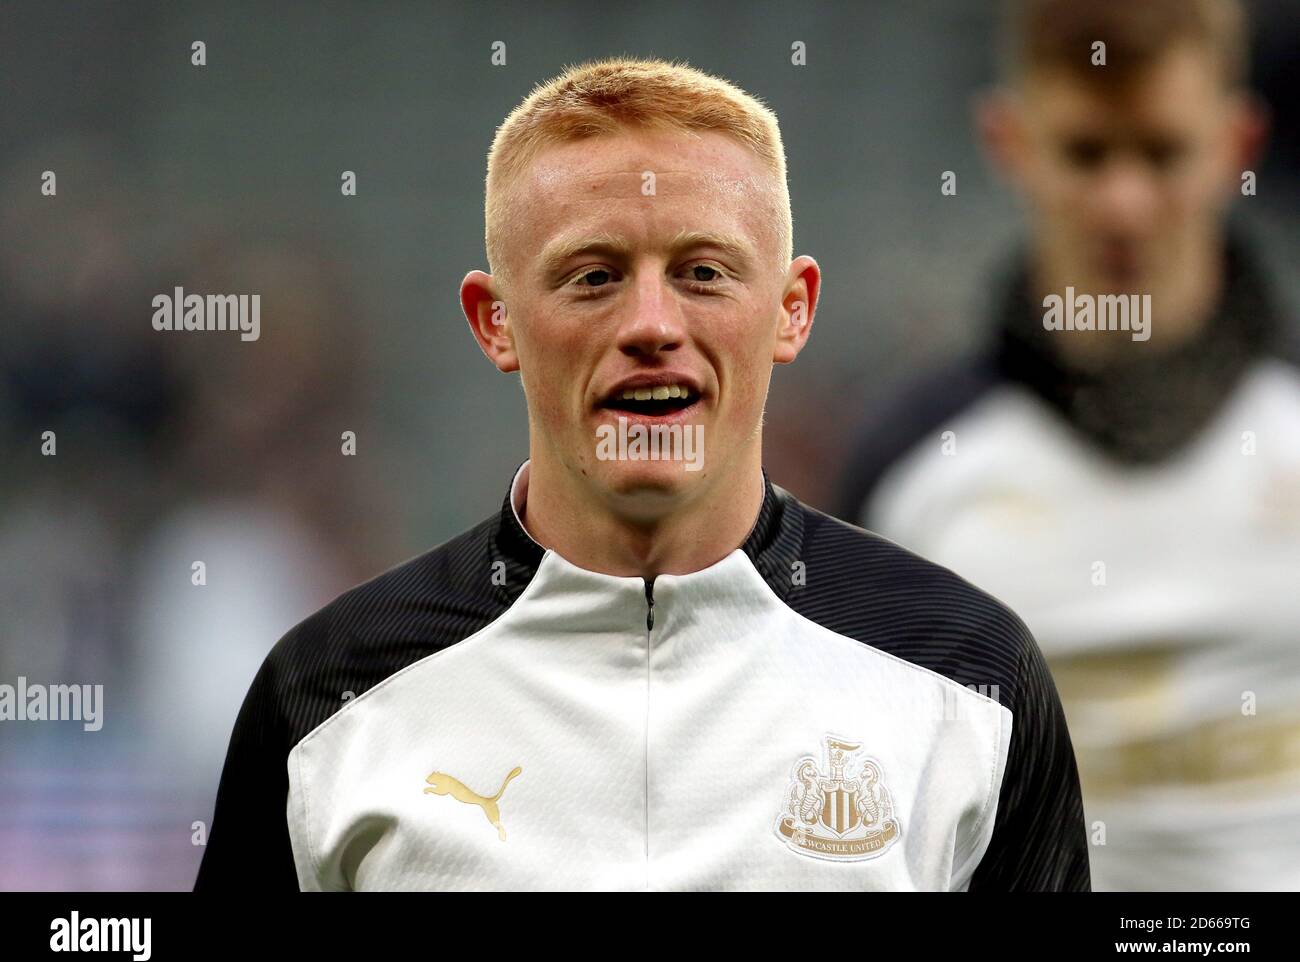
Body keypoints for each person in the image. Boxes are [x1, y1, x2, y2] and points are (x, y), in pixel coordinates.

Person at [195, 57, 1088, 891]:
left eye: (703, 272)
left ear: (791, 309)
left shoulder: (972, 680)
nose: (652, 323)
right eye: (594, 276)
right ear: (495, 320)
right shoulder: (326, 695)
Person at [838, 0, 1300, 890]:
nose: (1124, 202)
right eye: (1086, 154)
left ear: (1237, 145)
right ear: (1008, 141)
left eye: (1162, 153)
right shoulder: (908, 470)